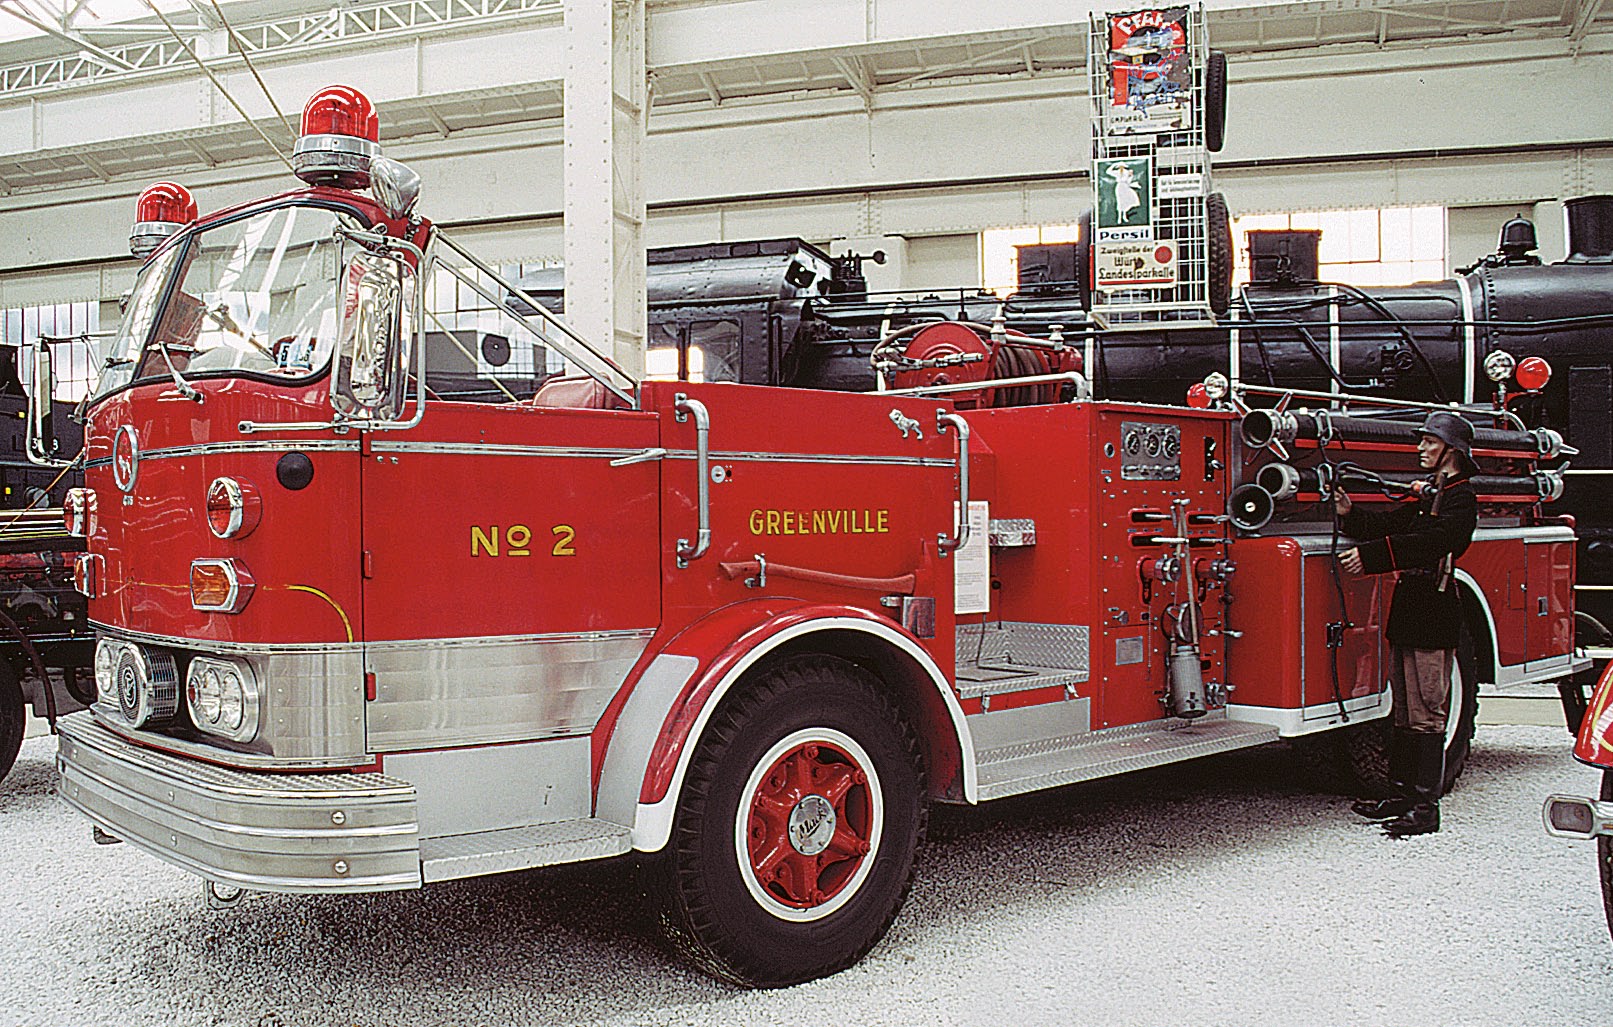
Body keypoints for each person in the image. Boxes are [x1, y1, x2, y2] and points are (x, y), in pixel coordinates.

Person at [1334, 411, 1480, 838]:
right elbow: (1394, 524)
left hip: (1434, 609)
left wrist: (1373, 557)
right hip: (1413, 607)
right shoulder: (1432, 493)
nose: (1420, 449)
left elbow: (1437, 541)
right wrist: (1351, 513)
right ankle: (1399, 794)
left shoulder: (1460, 498)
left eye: (1429, 443)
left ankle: (1424, 805)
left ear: (1451, 451)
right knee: (1403, 709)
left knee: (1428, 711)